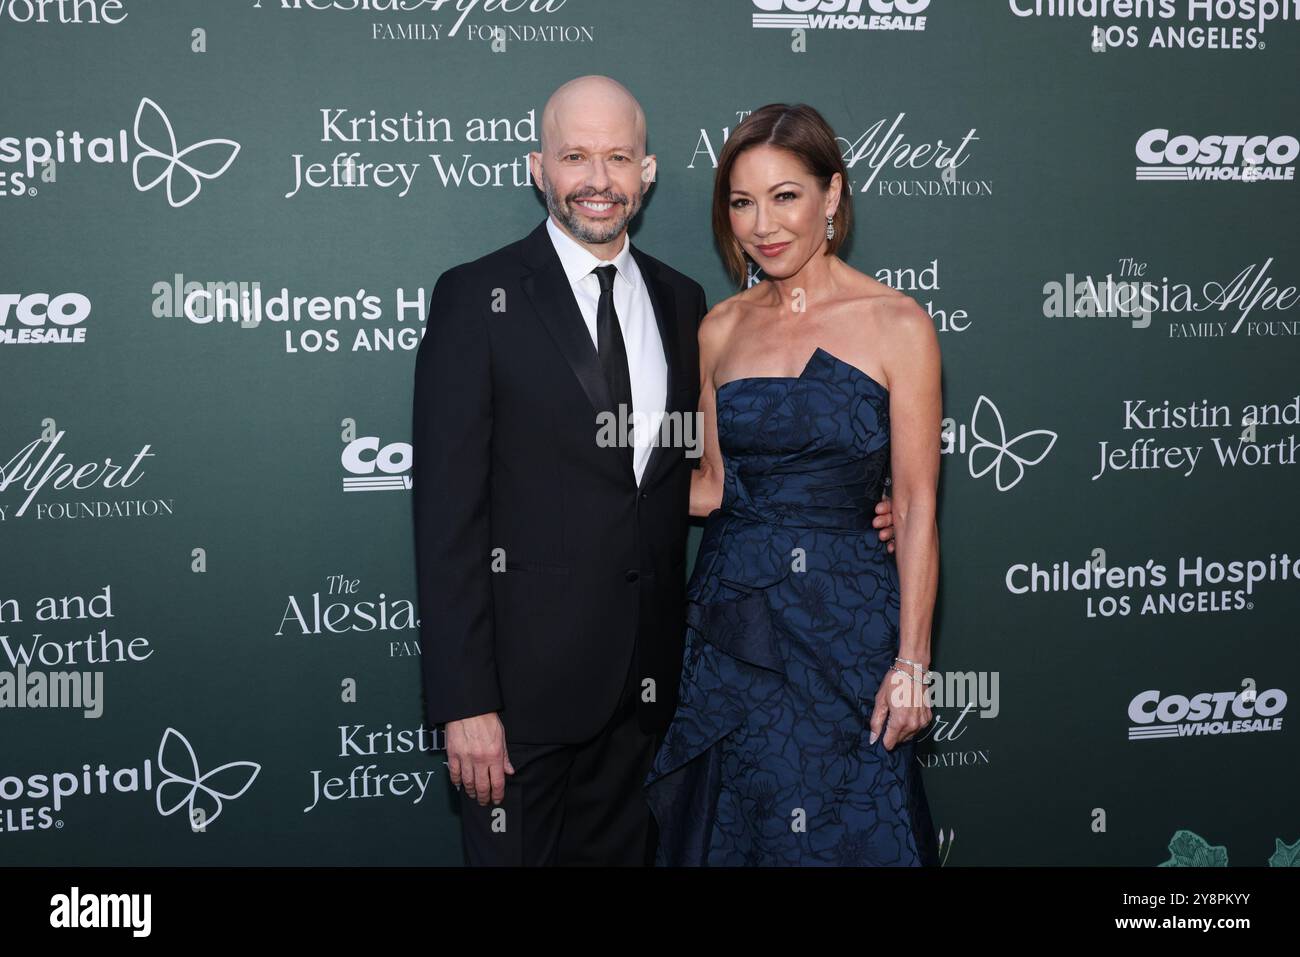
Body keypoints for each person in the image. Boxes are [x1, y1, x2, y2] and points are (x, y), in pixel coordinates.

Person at [412, 77, 897, 866]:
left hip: (652, 695)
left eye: (617, 157)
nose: (597, 179)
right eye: (575, 156)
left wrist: (861, 501)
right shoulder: (478, 298)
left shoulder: (684, 304)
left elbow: (704, 475)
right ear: (539, 168)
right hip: (521, 707)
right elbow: (445, 519)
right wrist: (466, 703)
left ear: (648, 172)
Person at [644, 103, 941, 866]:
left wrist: (912, 662)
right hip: (734, 620)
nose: (762, 224)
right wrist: (584, 493)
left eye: (786, 196)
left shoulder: (898, 324)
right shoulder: (721, 328)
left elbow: (912, 506)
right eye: (742, 202)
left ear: (832, 195)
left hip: (847, 626)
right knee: (743, 821)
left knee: (854, 822)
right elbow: (708, 487)